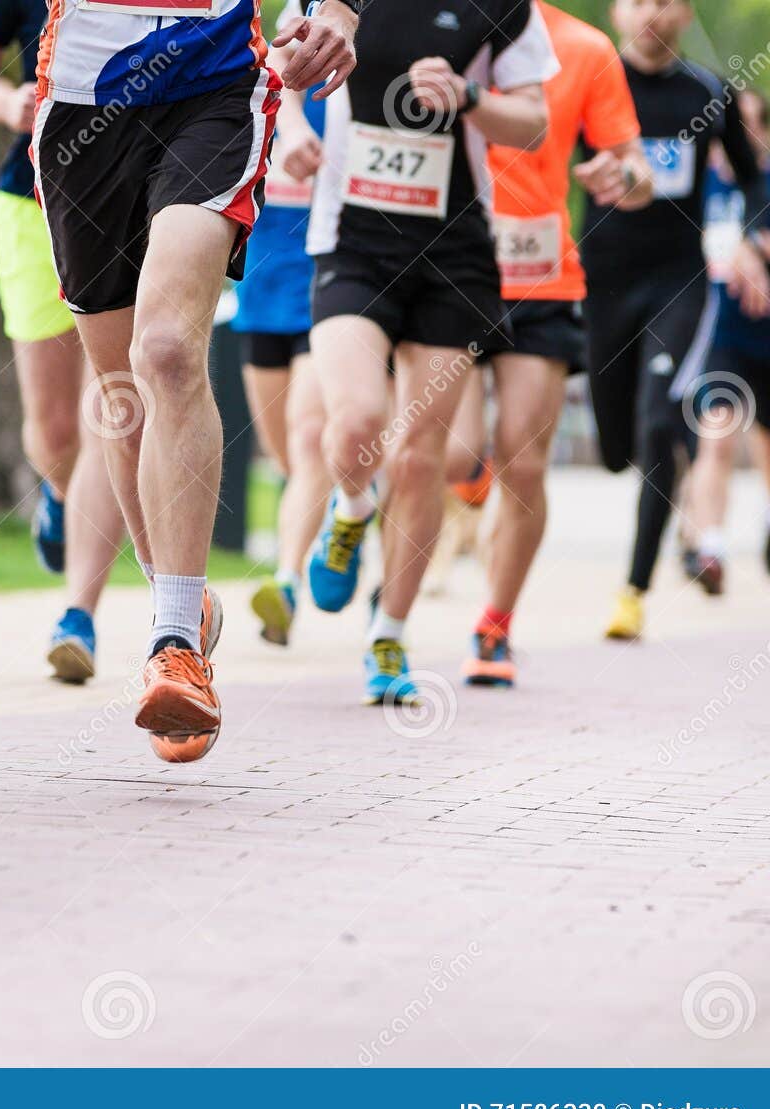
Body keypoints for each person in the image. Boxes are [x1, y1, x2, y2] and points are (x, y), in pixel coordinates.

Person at [31, 0, 360, 761]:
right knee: (121, 396)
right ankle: (178, 601)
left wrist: (341, 9)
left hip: (215, 85)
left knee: (169, 351)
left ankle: (175, 644)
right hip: (83, 104)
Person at [277, 0, 555, 704]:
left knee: (422, 455)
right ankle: (350, 509)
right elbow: (276, 65)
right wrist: (290, 133)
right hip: (353, 245)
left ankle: (389, 635)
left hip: (454, 255)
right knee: (358, 420)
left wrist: (469, 97)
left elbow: (534, 121)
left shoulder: (505, 8)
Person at [460, 0, 655, 687]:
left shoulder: (586, 47)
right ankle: (442, 491)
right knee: (450, 453)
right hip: (448, 270)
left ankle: (494, 627)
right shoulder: (441, 21)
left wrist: (619, 177)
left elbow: (636, 172)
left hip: (542, 278)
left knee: (523, 461)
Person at [0, 0, 126, 684]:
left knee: (111, 409)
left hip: (132, 205)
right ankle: (57, 491)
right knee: (55, 433)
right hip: (32, 205)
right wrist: (5, 102)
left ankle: (78, 614)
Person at [584, 0, 770, 641]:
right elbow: (538, 154)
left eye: (666, 1)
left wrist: (750, 237)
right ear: (616, 11)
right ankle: (640, 460)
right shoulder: (592, 80)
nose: (652, 14)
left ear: (686, 14)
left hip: (676, 282)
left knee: (661, 422)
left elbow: (752, 178)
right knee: (617, 449)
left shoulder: (708, 92)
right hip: (602, 282)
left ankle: (633, 592)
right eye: (639, 1)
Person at [235, 86, 332, 649]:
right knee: (287, 459)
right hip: (261, 294)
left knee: (310, 436)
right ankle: (339, 516)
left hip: (331, 294)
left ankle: (287, 582)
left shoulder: (353, 87)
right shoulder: (252, 79)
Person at [683, 86, 770, 595]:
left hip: (766, 335)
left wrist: (752, 248)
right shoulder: (702, 186)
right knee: (715, 436)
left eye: (754, 122)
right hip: (722, 336)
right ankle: (710, 547)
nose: (744, 133)